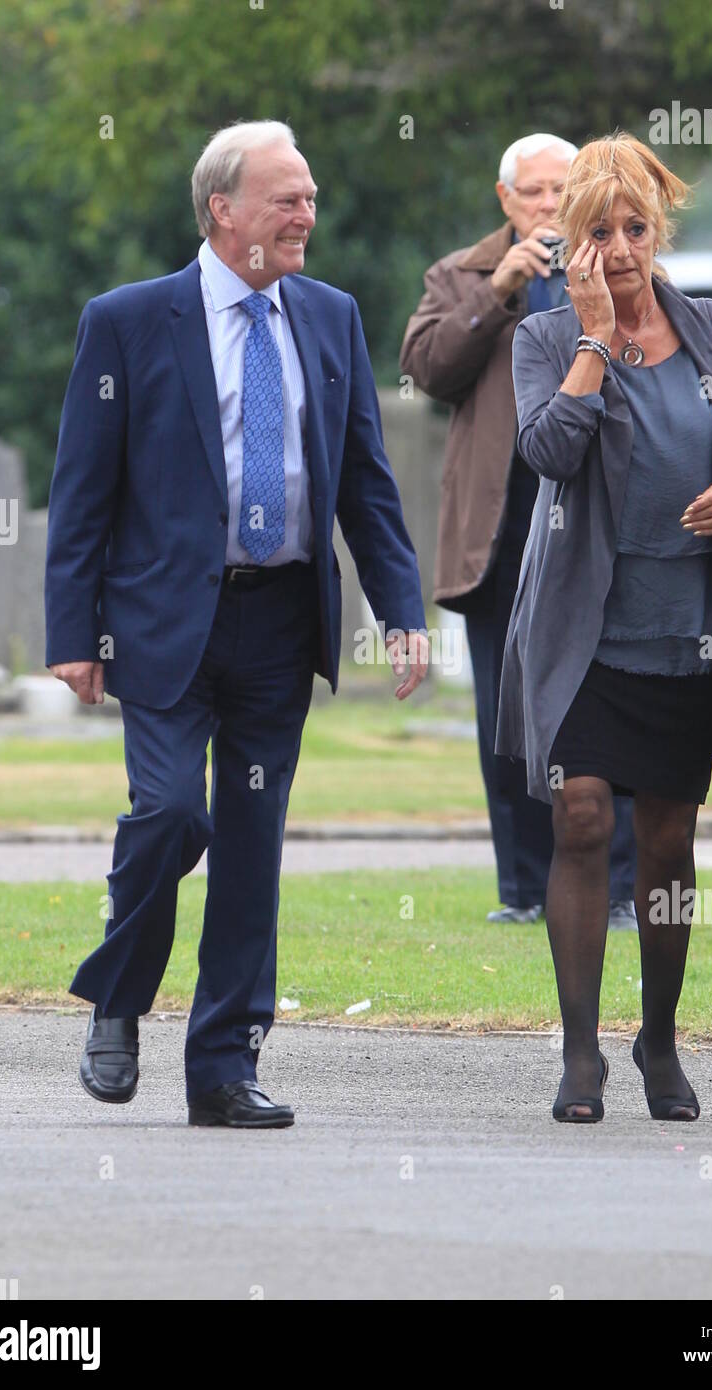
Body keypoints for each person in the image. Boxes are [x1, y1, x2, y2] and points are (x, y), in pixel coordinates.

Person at [45, 120, 429, 1128]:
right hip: (165, 622)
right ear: (223, 209)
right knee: (172, 812)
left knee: (252, 845)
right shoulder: (129, 321)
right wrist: (71, 632)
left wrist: (401, 612)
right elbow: (81, 491)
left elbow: (364, 486)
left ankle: (223, 1067)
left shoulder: (331, 317)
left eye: (308, 197)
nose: (307, 214)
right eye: (287, 198)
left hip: (279, 622)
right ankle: (120, 995)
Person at [496, 133, 712, 1124]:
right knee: (583, 815)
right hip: (586, 628)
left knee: (669, 839)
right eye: (600, 230)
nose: (623, 246)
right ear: (572, 240)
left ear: (657, 229)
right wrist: (595, 338)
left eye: (636, 227)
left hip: (690, 623)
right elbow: (548, 451)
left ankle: (661, 1041)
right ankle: (579, 1051)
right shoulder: (546, 339)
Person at [400, 133, 637, 929]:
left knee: (611, 702)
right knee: (507, 714)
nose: (546, 205)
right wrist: (496, 291)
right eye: (533, 192)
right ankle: (524, 889)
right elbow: (428, 373)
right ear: (505, 199)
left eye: (560, 189)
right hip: (500, 526)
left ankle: (618, 891)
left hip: (599, 521)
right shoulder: (460, 274)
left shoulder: (620, 262)